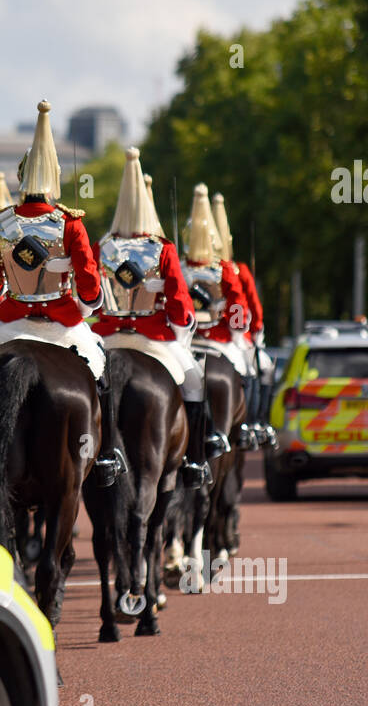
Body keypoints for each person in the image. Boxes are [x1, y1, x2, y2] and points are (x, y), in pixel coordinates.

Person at [91, 148, 209, 484]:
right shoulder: (162, 248)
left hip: (107, 338)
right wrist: (182, 330)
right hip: (153, 339)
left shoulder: (103, 246)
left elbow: (92, 298)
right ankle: (195, 460)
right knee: (195, 381)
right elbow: (180, 304)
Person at [0, 99, 106, 382]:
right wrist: (86, 303)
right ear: (55, 178)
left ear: (21, 176)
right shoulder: (70, 222)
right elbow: (89, 287)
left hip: (10, 317)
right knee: (100, 374)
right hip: (63, 321)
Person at [181, 183, 250, 457]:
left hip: (186, 341)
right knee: (253, 369)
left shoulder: (178, 264)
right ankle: (248, 426)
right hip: (220, 340)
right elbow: (240, 308)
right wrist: (239, 334)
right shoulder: (224, 269)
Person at [212, 191, 275, 448]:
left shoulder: (188, 265)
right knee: (263, 369)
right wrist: (256, 332)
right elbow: (253, 308)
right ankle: (253, 422)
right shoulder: (238, 270)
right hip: (235, 335)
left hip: (195, 335)